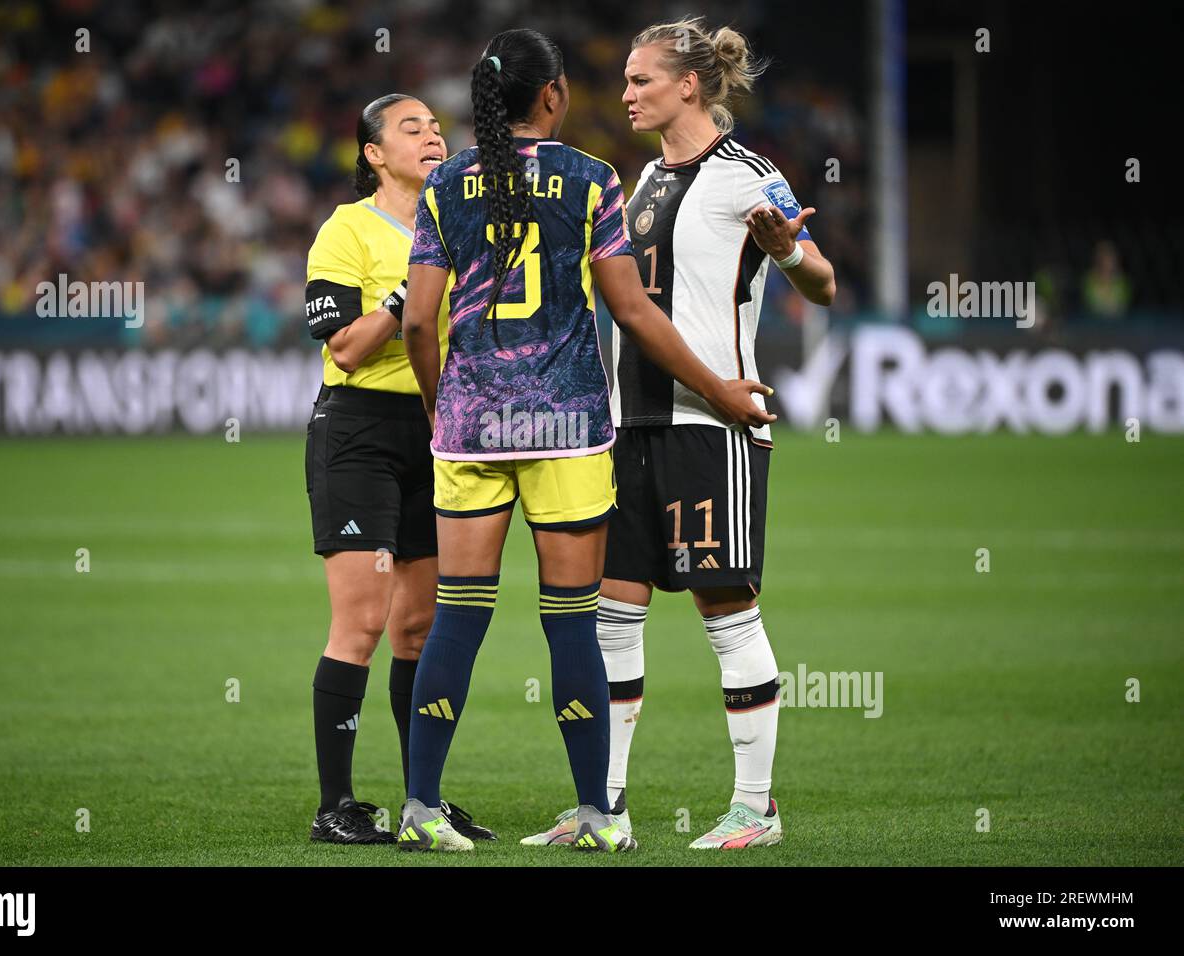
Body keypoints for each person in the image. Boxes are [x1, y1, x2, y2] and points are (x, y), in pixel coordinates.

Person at [396, 28, 776, 853]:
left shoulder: (446, 184)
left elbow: (418, 319)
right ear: (555, 97)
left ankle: (421, 807)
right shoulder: (593, 180)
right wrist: (720, 391)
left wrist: (441, 406)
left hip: (471, 424)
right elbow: (634, 311)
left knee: (456, 619)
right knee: (572, 623)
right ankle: (600, 815)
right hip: (568, 428)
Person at [522, 17, 836, 851]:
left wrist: (791, 254)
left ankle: (756, 808)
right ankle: (606, 804)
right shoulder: (645, 178)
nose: (625, 94)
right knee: (611, 617)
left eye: (641, 81)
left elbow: (825, 280)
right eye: (626, 81)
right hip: (631, 427)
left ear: (688, 85)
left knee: (725, 611)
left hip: (713, 419)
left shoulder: (747, 176)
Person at [303, 93, 492, 844]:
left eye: (438, 126)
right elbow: (344, 347)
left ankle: (423, 801)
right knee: (363, 622)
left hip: (439, 429)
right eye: (411, 128)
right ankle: (336, 806)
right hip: (360, 432)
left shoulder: (463, 224)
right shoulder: (347, 229)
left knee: (419, 627)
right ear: (375, 154)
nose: (433, 136)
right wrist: (402, 293)